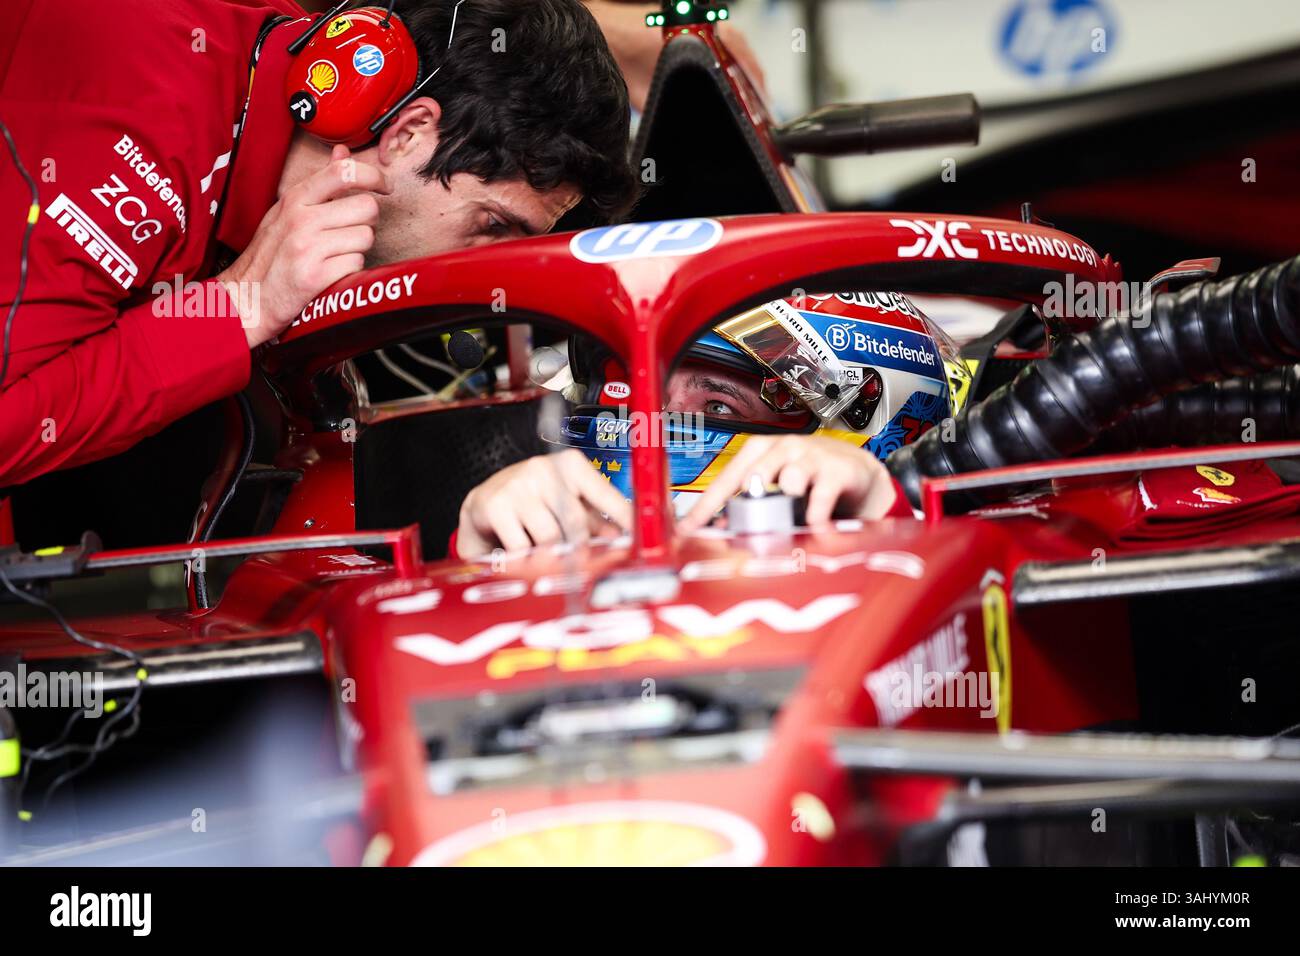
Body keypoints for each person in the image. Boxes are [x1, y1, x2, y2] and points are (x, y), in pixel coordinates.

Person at [0, 0, 637, 488]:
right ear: (410, 133)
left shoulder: (258, 78)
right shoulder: (149, 106)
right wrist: (235, 307)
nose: (478, 274)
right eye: (493, 226)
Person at [453, 292, 968, 557]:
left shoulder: (944, 562)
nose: (647, 423)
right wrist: (478, 555)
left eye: (719, 405)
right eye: (638, 391)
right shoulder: (546, 548)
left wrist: (885, 509)